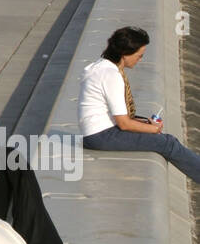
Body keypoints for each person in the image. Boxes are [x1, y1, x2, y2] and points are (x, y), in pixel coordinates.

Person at [78, 27, 200, 184]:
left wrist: (145, 125)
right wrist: (154, 129)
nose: (140, 59)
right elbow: (124, 123)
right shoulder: (111, 75)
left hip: (98, 132)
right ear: (125, 54)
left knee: (156, 134)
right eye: (139, 56)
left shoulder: (100, 66)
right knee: (167, 143)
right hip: (101, 137)